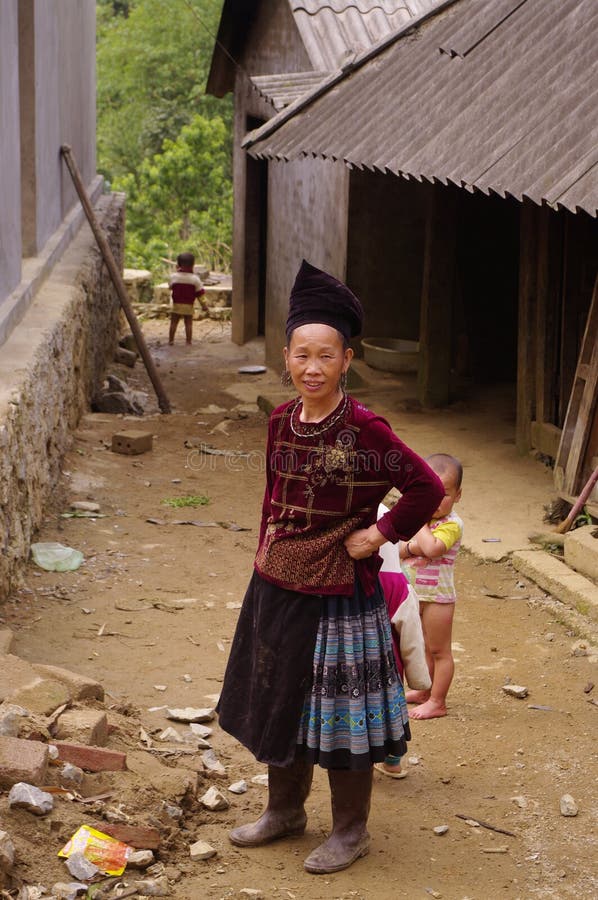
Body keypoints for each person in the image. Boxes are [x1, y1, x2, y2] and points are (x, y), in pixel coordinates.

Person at [217, 259, 444, 876]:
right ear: (286, 357)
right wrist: (263, 552)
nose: (311, 368)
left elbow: (424, 487)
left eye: (326, 355)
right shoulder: (277, 421)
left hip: (342, 591)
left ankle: (350, 830)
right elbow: (271, 497)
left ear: (348, 359)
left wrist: (382, 532)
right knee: (278, 698)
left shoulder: (367, 429)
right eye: (301, 355)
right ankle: (284, 812)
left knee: (343, 714)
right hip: (277, 584)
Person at [400, 453, 463, 720]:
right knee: (422, 645)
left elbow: (433, 548)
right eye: (431, 492)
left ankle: (438, 701)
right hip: (415, 594)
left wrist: (416, 524)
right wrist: (414, 542)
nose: (436, 500)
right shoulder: (423, 522)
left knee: (439, 650)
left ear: (458, 495)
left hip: (438, 598)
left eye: (444, 494)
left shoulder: (451, 524)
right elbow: (399, 550)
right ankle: (425, 691)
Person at [374, 505, 431, 779]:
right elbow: (411, 637)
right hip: (390, 673)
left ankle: (356, 765)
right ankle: (392, 761)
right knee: (392, 716)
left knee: (360, 716)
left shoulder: (346, 580)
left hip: (351, 669)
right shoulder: (399, 586)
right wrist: (419, 679)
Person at [168, 251, 205, 345]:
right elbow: (200, 294)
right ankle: (188, 341)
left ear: (178, 264)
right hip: (188, 306)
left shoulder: (174, 277)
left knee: (173, 323)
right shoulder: (195, 279)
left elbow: (170, 287)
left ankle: (171, 341)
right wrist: (204, 305)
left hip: (176, 305)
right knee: (188, 324)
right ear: (193, 265)